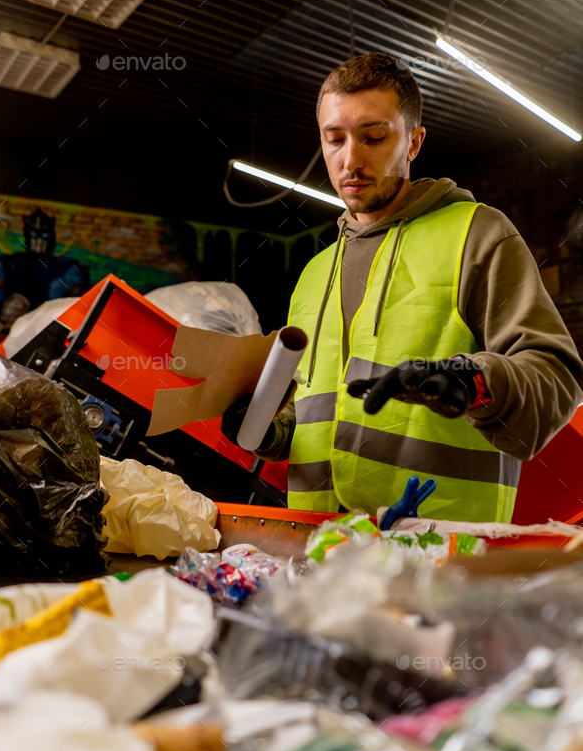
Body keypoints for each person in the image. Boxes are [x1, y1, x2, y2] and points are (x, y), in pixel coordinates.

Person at [222, 52, 583, 522]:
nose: (351, 159)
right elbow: (320, 418)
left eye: (374, 137)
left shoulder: (477, 235)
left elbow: (556, 380)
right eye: (334, 140)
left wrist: (475, 381)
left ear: (413, 143)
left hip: (440, 557)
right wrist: (268, 432)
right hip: (321, 552)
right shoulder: (315, 273)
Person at [0, 209, 87, 338]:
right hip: (8, 337)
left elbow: (81, 312)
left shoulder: (67, 269)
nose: (38, 242)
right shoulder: (7, 264)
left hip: (47, 339)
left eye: (43, 236)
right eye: (34, 236)